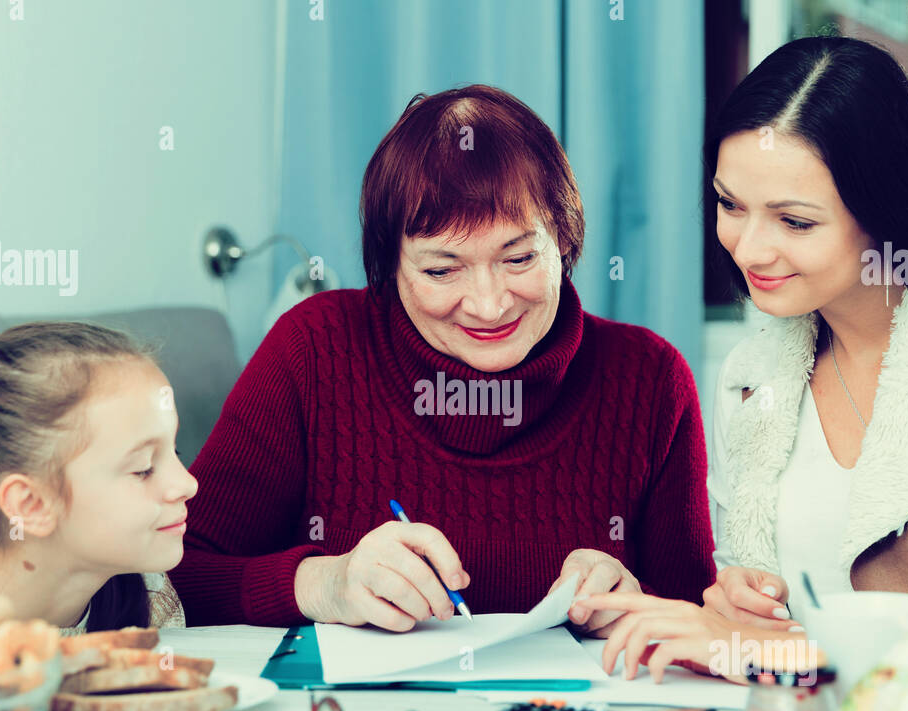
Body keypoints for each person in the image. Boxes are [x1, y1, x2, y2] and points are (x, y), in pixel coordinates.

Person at [585, 35, 908, 681]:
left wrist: (793, 653)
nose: (749, 248)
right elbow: (757, 618)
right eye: (731, 205)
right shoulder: (753, 378)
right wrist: (738, 617)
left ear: (883, 211)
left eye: (795, 221)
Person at [169, 84, 716, 633]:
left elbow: (696, 624)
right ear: (389, 265)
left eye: (519, 257)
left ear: (564, 239)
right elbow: (175, 581)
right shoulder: (311, 350)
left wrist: (638, 601)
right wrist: (324, 584)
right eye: (441, 270)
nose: (489, 304)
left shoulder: (651, 380)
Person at [0, 322, 198, 633]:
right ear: (31, 504)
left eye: (176, 453)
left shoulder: (149, 599)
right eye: (143, 468)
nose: (189, 484)